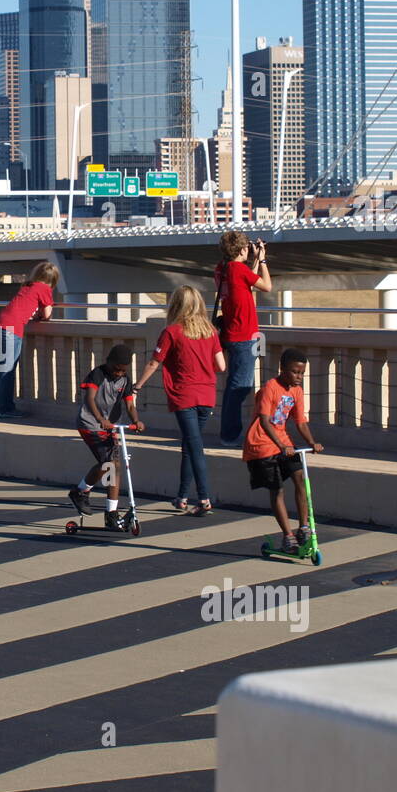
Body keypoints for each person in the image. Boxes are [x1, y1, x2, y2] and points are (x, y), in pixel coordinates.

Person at [135, 285, 226, 516]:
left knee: (195, 447)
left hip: (184, 395)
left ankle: (204, 497)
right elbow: (221, 365)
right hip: (207, 396)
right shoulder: (210, 332)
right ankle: (182, 495)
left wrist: (137, 387)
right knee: (189, 444)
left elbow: (154, 362)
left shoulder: (172, 332)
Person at [243, 347, 324, 555]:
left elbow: (301, 422)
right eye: (295, 372)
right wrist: (281, 446)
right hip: (261, 444)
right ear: (282, 369)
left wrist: (313, 442)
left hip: (283, 443)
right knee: (277, 489)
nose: (299, 377)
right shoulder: (271, 387)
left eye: (302, 373)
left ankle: (304, 527)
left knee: (300, 478)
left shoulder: (297, 391)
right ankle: (288, 536)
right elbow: (264, 420)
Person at [68, 344, 145, 532]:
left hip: (111, 428)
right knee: (110, 463)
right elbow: (90, 399)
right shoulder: (98, 374)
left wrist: (136, 420)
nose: (118, 373)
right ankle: (80, 492)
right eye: (116, 368)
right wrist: (100, 419)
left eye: (123, 370)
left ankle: (111, 513)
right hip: (90, 425)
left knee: (114, 466)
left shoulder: (125, 380)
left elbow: (129, 405)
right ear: (108, 361)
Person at [213, 230, 272, 446]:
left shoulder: (222, 269)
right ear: (241, 249)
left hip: (231, 333)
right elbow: (266, 286)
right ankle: (230, 435)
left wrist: (254, 260)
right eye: (247, 247)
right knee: (240, 388)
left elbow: (246, 282)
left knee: (233, 385)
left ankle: (229, 432)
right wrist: (263, 259)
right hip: (245, 335)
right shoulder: (238, 269)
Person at [0, 262, 58, 418]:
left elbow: (25, 308)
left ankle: (4, 407)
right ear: (52, 280)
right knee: (7, 371)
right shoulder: (44, 289)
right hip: (11, 330)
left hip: (0, 326)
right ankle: (6, 409)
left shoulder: (28, 286)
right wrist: (43, 314)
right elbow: (47, 314)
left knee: (3, 370)